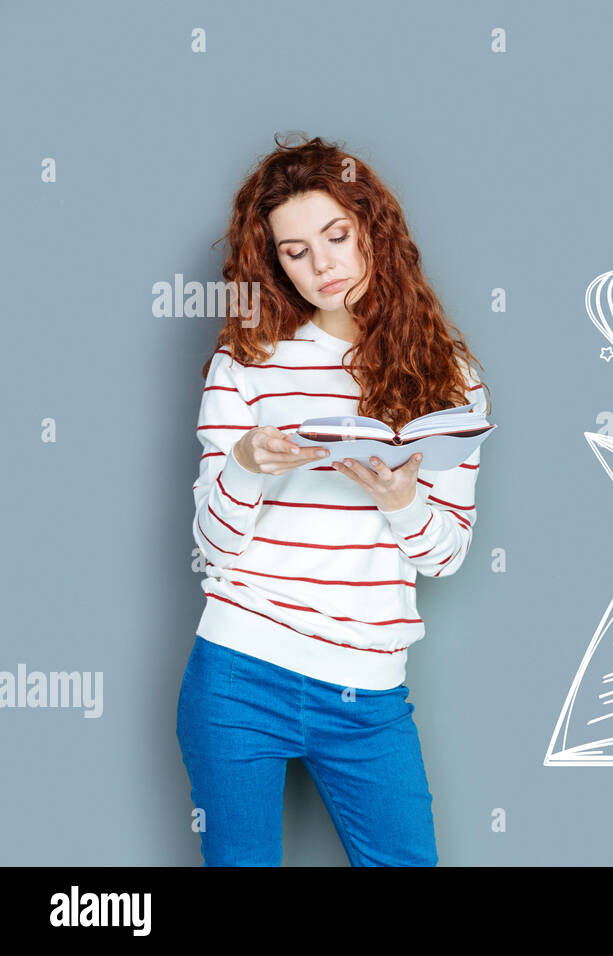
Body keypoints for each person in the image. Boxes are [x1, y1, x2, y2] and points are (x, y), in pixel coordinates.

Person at [176, 133, 490, 866]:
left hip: (369, 691)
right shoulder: (247, 363)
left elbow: (446, 556)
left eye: (336, 236)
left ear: (371, 228)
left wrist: (406, 500)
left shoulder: (453, 377)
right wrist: (249, 463)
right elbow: (211, 546)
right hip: (240, 669)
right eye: (295, 252)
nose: (322, 266)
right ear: (274, 264)